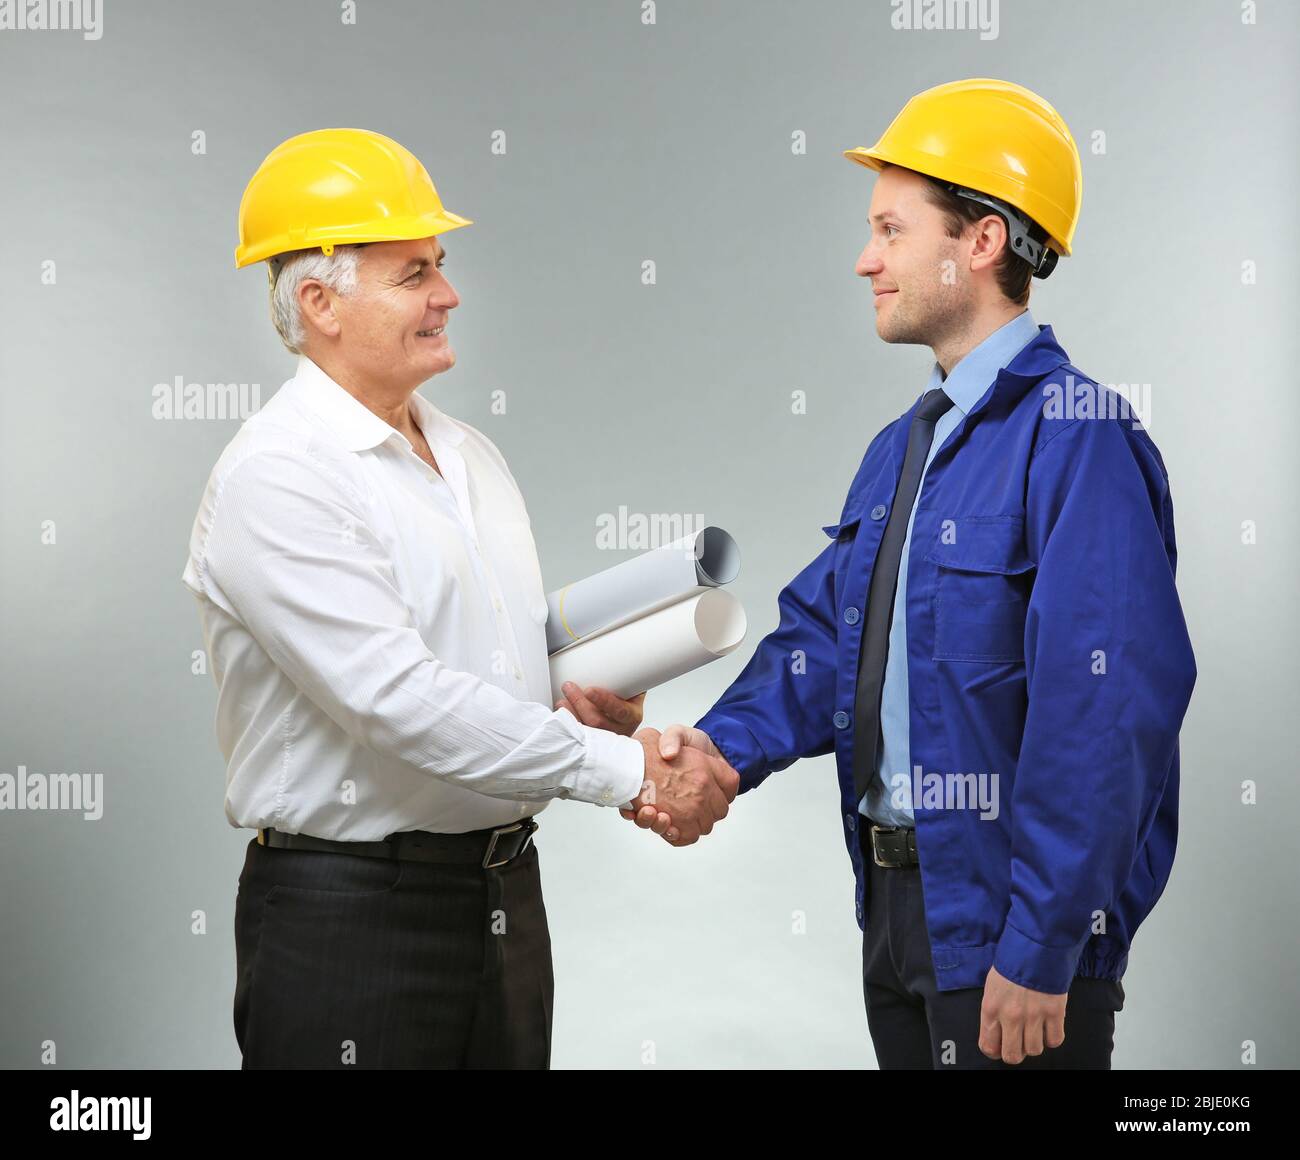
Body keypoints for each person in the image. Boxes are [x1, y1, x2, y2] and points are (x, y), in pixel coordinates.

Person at [644, 79, 1197, 1069]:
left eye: (890, 230)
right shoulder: (906, 446)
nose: (866, 260)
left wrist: (1043, 942)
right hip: (901, 910)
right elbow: (824, 642)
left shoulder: (1079, 439)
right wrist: (719, 752)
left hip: (1009, 932)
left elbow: (1105, 710)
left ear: (979, 241)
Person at [180, 128, 738, 1069]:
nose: (449, 294)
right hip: (349, 921)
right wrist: (627, 771)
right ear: (319, 302)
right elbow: (399, 698)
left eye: (439, 265)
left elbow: (482, 666)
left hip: (503, 899)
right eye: (412, 274)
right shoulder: (275, 480)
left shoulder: (472, 456)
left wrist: (593, 704)